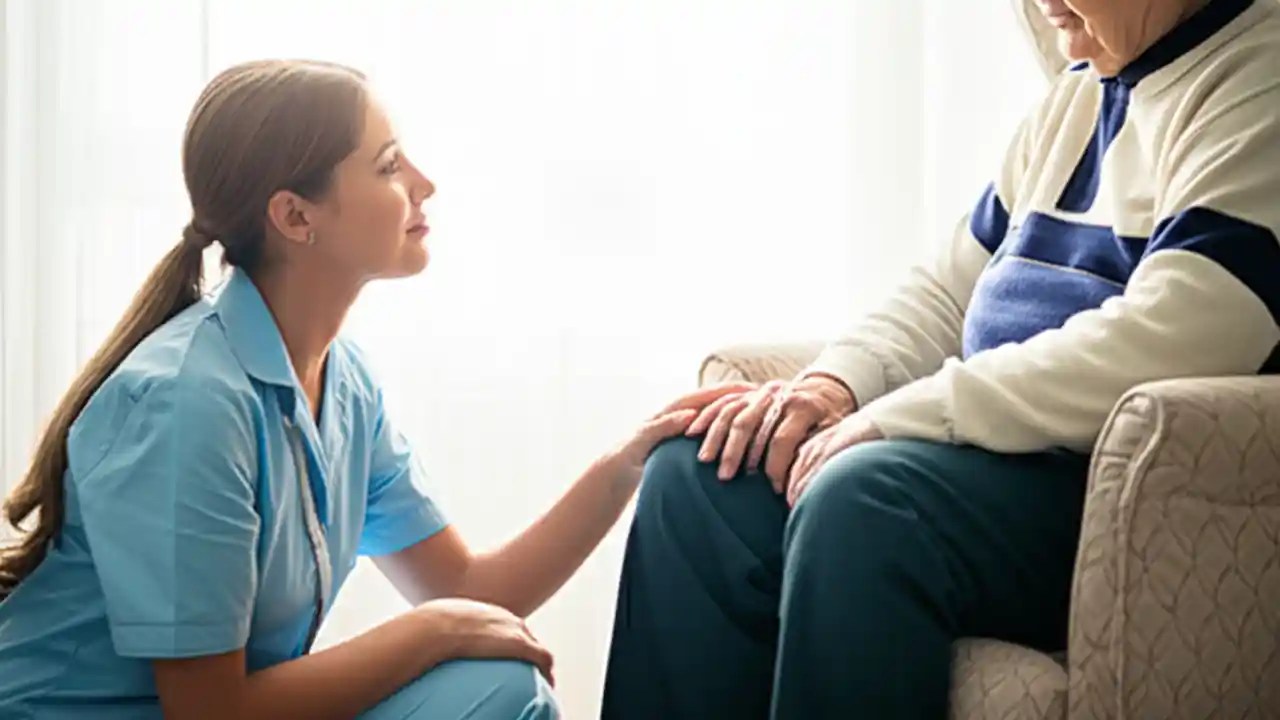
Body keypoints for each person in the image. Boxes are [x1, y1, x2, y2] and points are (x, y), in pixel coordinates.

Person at [0, 60, 744, 720]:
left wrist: (629, 460)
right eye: (389, 166)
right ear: (296, 217)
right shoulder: (186, 404)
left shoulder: (343, 384)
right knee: (487, 676)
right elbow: (209, 710)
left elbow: (470, 586)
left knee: (504, 688)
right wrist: (430, 631)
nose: (424, 183)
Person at [603, 0, 1280, 717]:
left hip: (1106, 493)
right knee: (700, 476)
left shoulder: (1256, 86)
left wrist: (902, 418)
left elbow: (1176, 337)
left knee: (863, 501)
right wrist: (836, 384)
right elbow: (949, 292)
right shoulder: (1080, 94)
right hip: (982, 464)